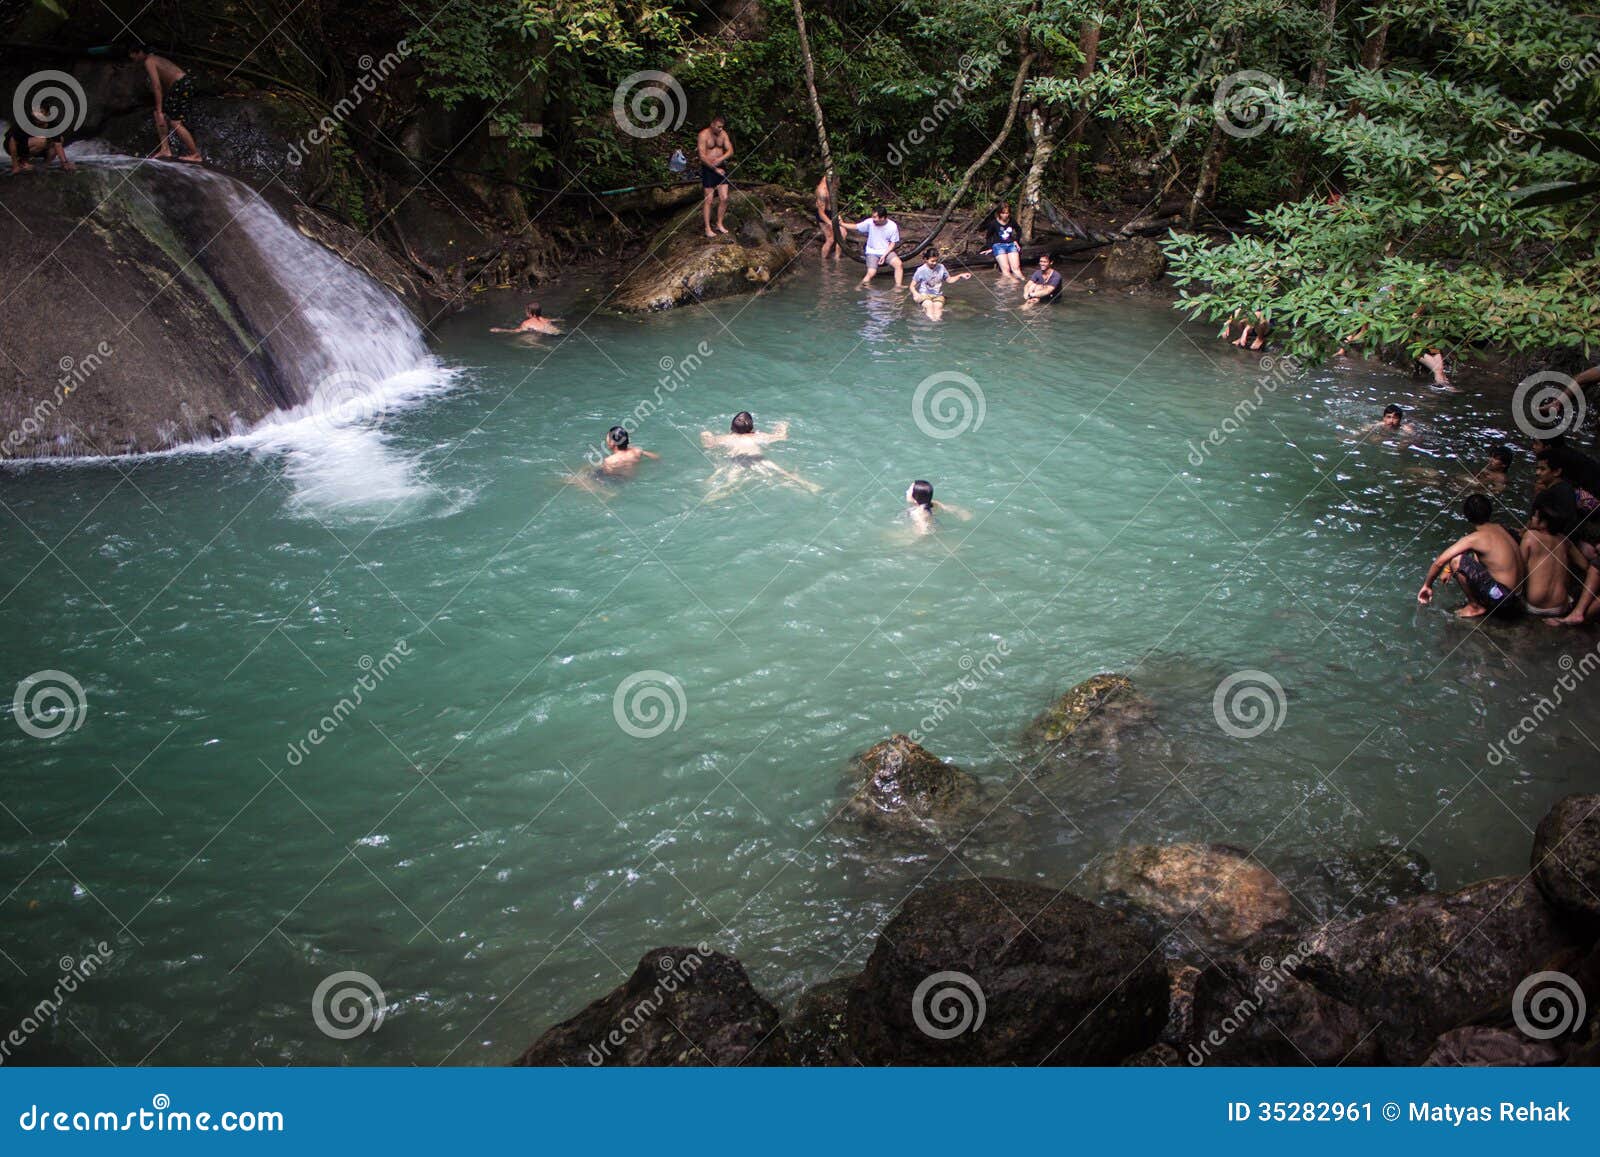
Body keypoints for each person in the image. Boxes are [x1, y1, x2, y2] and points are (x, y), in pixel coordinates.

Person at [1417, 493, 1525, 619]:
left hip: (1503, 599)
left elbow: (1438, 562)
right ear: (1490, 511)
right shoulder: (1501, 528)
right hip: (1519, 594)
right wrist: (1447, 569)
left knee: (1456, 561)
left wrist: (1427, 586)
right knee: (1473, 555)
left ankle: (1474, 606)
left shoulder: (1474, 539)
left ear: (1467, 516)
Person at [700, 411, 819, 498]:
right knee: (784, 473)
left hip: (737, 461)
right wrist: (782, 426)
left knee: (731, 482)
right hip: (759, 460)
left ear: (731, 428)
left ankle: (712, 497)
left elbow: (708, 444)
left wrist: (706, 434)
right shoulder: (758, 436)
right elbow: (781, 437)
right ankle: (810, 486)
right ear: (751, 429)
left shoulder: (725, 438)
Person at [1520, 490, 1592, 619]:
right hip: (1559, 607)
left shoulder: (1530, 537)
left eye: (1534, 516)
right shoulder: (1565, 541)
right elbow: (1585, 566)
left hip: (1534, 606)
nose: (1532, 519)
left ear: (1544, 522)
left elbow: (1519, 569)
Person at [128, 45, 202, 162]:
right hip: (179, 86)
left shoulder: (149, 61)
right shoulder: (154, 58)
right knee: (158, 115)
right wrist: (159, 111)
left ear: (140, 52)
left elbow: (157, 86)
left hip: (181, 85)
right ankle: (165, 149)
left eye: (133, 54)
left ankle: (195, 154)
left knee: (175, 122)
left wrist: (160, 108)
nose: (132, 57)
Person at [908, 249, 972, 320]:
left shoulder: (941, 267)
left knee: (938, 307)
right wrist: (915, 293)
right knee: (929, 305)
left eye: (936, 261)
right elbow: (912, 286)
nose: (935, 263)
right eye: (932, 261)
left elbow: (949, 280)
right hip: (924, 295)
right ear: (925, 259)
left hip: (937, 295)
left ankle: (937, 322)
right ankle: (932, 321)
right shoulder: (921, 270)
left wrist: (960, 275)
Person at [5, 110, 74, 173]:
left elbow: (58, 144)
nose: (38, 115)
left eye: (41, 112)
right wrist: (15, 166)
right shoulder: (26, 121)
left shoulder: (52, 124)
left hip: (33, 147)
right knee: (42, 141)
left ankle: (44, 165)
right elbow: (12, 141)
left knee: (59, 139)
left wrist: (64, 163)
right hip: (12, 145)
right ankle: (22, 162)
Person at [848, 207, 902, 288]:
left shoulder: (892, 226)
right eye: (872, 216)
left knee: (899, 264)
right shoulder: (870, 222)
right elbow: (856, 226)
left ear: (882, 218)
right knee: (871, 272)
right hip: (872, 251)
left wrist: (884, 255)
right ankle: (859, 287)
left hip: (886, 251)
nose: (873, 219)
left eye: (875, 217)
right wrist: (841, 224)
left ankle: (898, 286)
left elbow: (892, 243)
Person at [697, 114, 732, 237]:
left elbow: (730, 150)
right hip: (709, 169)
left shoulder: (723, 134)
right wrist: (714, 168)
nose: (721, 129)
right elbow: (702, 156)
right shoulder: (703, 135)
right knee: (709, 200)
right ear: (712, 124)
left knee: (724, 198)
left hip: (721, 167)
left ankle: (719, 223)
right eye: (718, 127)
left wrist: (721, 159)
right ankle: (707, 228)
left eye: (722, 127)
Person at [905, 479, 971, 534]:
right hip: (938, 525)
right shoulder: (933, 503)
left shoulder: (917, 514)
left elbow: (924, 531)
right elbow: (951, 508)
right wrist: (963, 513)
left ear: (915, 500)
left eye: (909, 491)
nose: (906, 491)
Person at [984, 204, 1022, 281]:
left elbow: (1019, 230)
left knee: (1016, 270)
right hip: (998, 246)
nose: (1005, 215)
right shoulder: (994, 223)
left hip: (1011, 245)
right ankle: (1014, 285)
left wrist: (1016, 241)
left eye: (1007, 213)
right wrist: (990, 247)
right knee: (1006, 270)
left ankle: (1023, 284)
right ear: (999, 213)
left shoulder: (1012, 220)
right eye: (1003, 213)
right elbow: (988, 236)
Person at [490, 302, 561, 335]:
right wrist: (560, 320)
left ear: (530, 313)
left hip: (540, 332)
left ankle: (541, 346)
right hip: (553, 331)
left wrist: (500, 330)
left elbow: (516, 331)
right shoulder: (546, 319)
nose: (525, 313)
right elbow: (554, 320)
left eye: (526, 311)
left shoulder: (526, 323)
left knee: (521, 341)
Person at [815, 174, 840, 260]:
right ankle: (823, 261)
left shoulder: (831, 182)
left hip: (833, 212)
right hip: (823, 215)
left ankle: (837, 258)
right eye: (837, 182)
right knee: (830, 239)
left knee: (843, 233)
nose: (838, 184)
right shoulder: (822, 191)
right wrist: (830, 223)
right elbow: (821, 213)